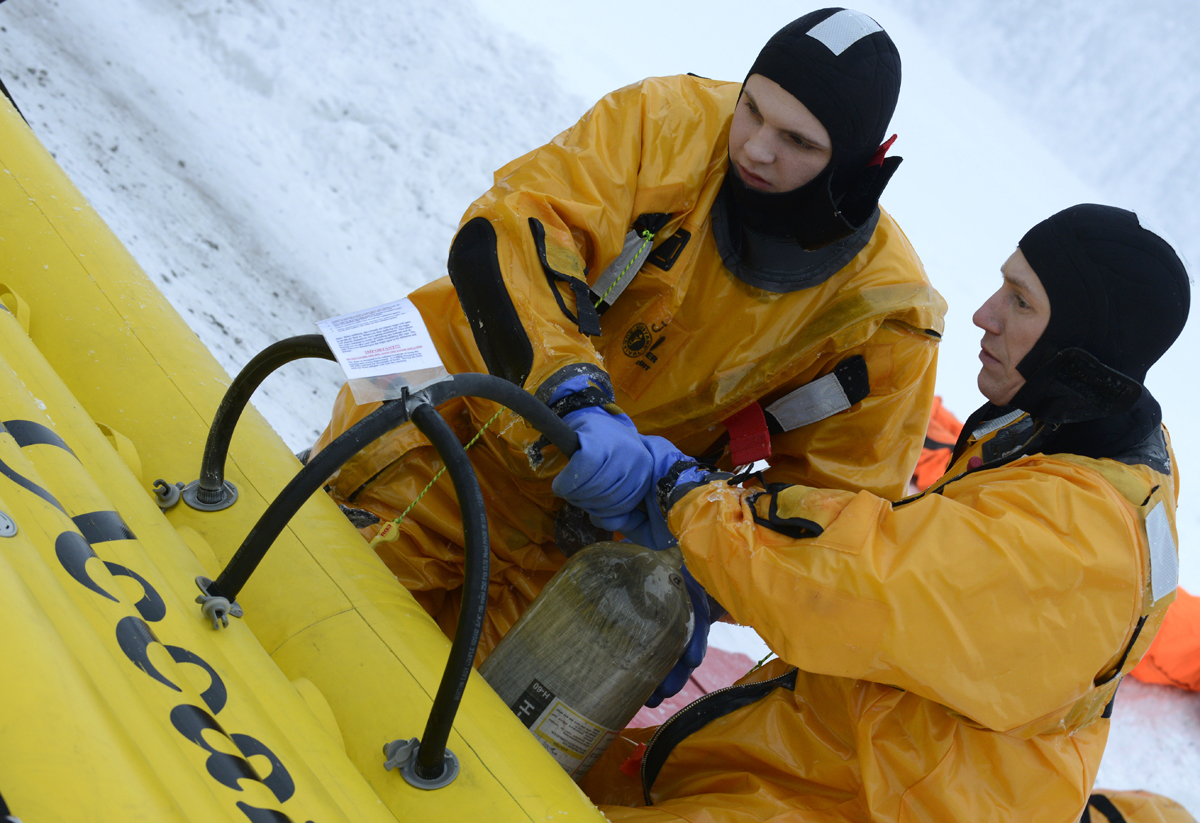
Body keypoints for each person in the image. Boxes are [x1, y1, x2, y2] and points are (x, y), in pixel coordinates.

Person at [312, 9, 946, 691]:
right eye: (752, 107)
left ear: (858, 160)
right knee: (309, 604)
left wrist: (697, 550)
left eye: (796, 139)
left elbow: (832, 518)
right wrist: (574, 397)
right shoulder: (663, 122)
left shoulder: (886, 319)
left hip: (591, 548)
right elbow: (507, 233)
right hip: (448, 416)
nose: (756, 148)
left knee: (454, 736)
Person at [578, 204, 1188, 823]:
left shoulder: (1070, 537)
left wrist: (686, 497)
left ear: (1082, 349)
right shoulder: (1108, 442)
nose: (985, 316)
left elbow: (854, 582)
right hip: (897, 756)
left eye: (1022, 302)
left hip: (884, 797)